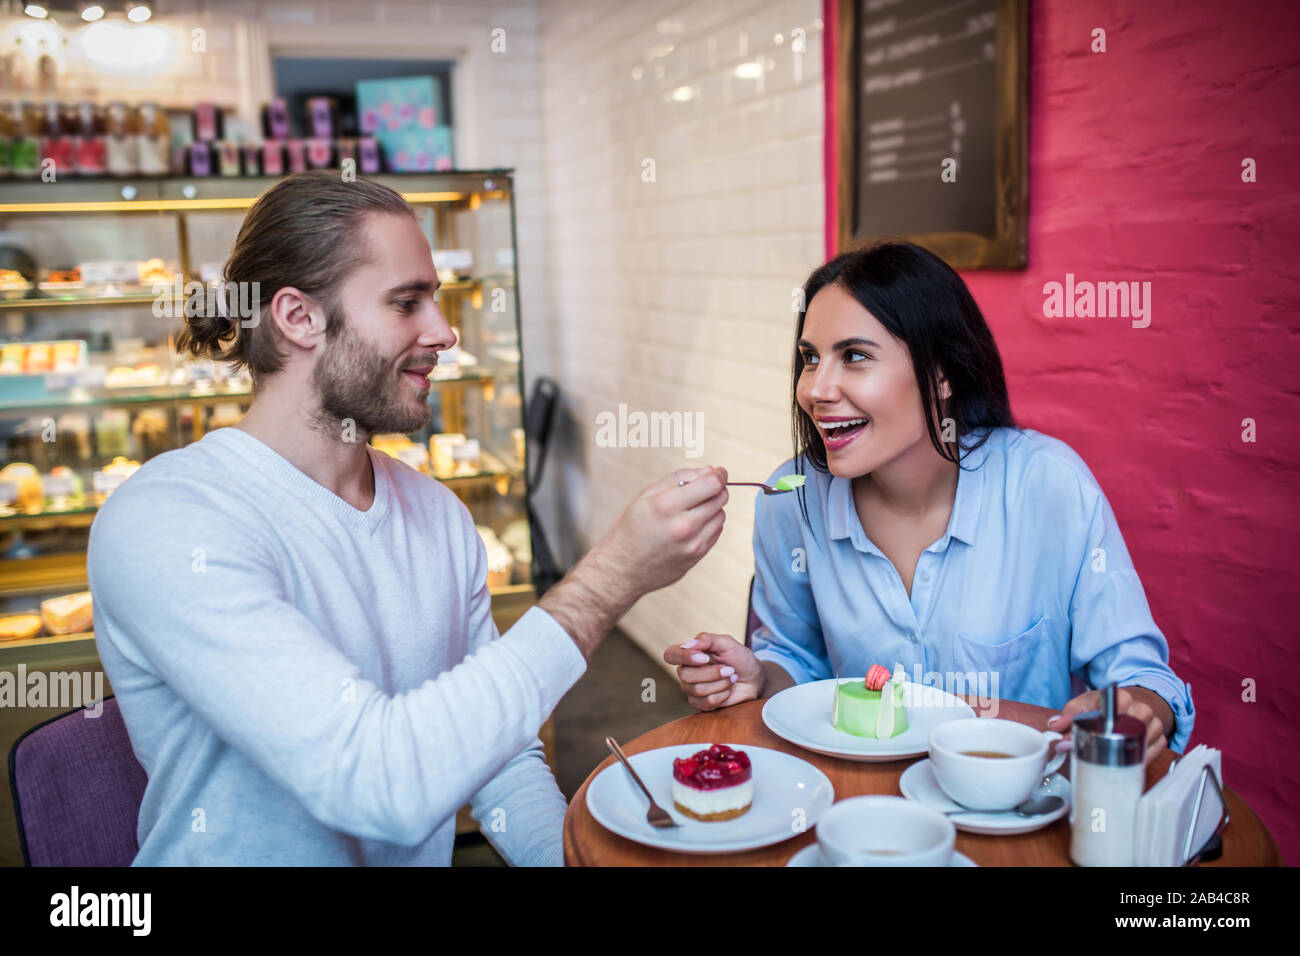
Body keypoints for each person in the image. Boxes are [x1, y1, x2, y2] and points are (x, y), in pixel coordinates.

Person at [88, 171, 729, 865]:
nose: (445, 332)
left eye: (438, 299)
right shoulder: (170, 521)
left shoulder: (437, 515)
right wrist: (606, 583)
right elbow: (374, 779)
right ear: (298, 317)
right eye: (406, 303)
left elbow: (499, 754)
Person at [665, 241, 1193, 766]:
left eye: (854, 356)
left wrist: (1138, 706)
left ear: (941, 373)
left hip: (1010, 815)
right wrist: (757, 676)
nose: (816, 389)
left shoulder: (1050, 487)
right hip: (857, 807)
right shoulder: (791, 499)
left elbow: (1143, 680)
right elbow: (797, 661)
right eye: (809, 359)